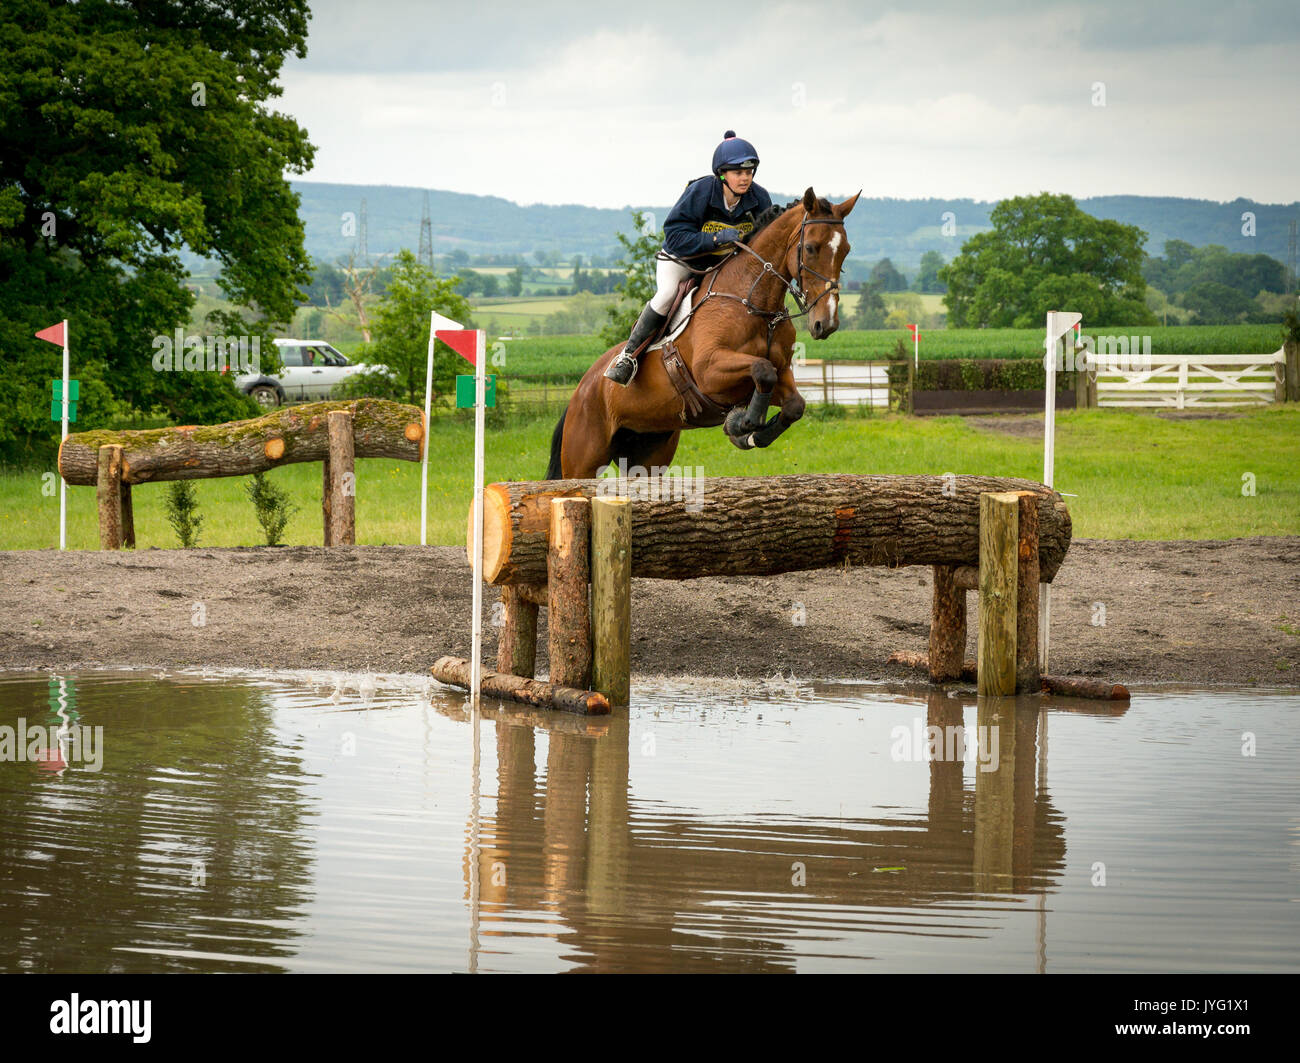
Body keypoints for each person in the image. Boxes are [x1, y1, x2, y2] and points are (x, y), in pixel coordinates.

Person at [604, 131, 774, 385]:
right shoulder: (701, 191)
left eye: (749, 172)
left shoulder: (759, 199)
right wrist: (715, 240)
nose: (745, 178)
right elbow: (674, 236)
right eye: (738, 173)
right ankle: (628, 356)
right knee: (666, 295)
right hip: (682, 261)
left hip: (722, 266)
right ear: (722, 174)